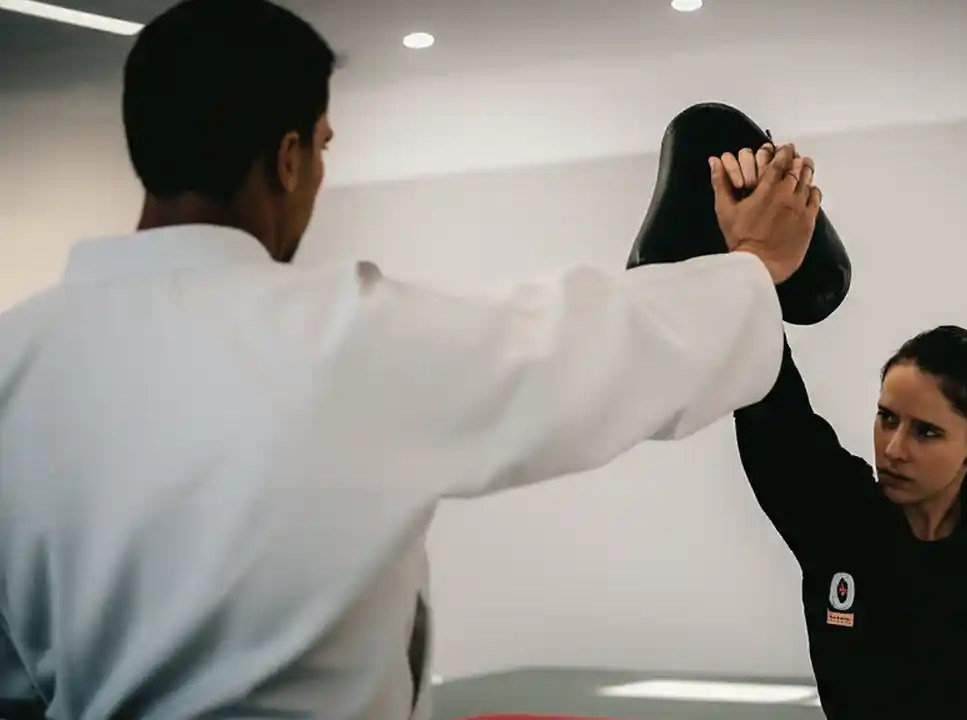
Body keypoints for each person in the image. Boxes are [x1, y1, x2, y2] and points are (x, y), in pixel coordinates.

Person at [0, 0, 823, 717]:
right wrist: (752, 264)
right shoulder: (338, 337)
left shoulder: (16, 361)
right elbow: (589, 346)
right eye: (322, 147)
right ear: (288, 158)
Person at [723, 150, 967, 719]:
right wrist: (751, 266)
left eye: (926, 432)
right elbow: (774, 415)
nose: (893, 449)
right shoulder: (841, 515)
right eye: (887, 417)